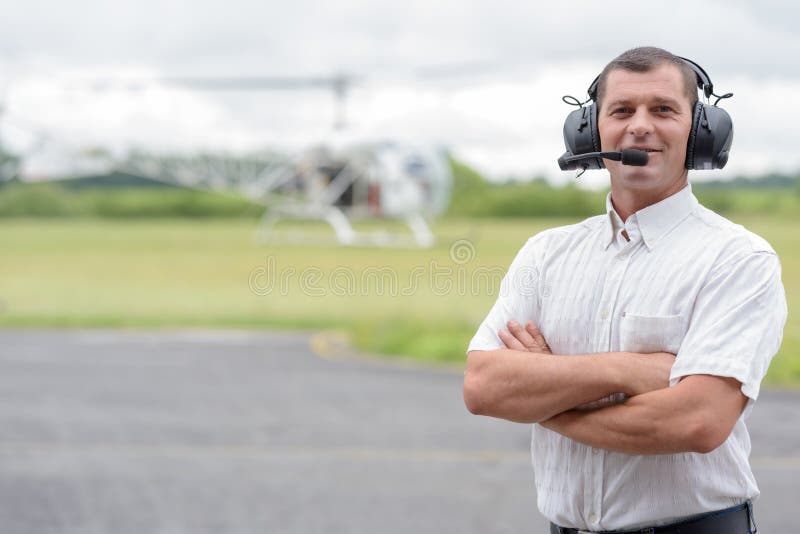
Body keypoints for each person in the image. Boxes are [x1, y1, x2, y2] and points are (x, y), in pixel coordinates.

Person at [463, 46, 787, 534]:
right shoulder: (545, 254)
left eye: (662, 110)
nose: (640, 126)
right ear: (592, 130)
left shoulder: (739, 260)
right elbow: (483, 386)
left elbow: (697, 420)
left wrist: (547, 400)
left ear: (701, 131)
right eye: (621, 110)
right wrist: (630, 370)